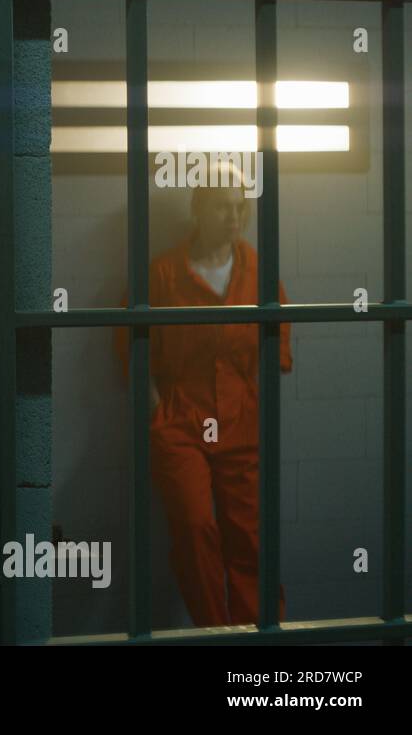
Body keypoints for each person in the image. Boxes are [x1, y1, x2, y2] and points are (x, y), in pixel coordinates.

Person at [113, 161, 291, 627]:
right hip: (181, 422)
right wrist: (158, 413)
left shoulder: (259, 271)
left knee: (250, 539)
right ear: (198, 209)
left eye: (240, 207)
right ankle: (216, 634)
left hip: (240, 422)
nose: (234, 217)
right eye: (221, 207)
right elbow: (131, 348)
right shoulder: (164, 273)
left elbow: (277, 350)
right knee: (194, 529)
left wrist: (250, 402)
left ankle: (262, 644)